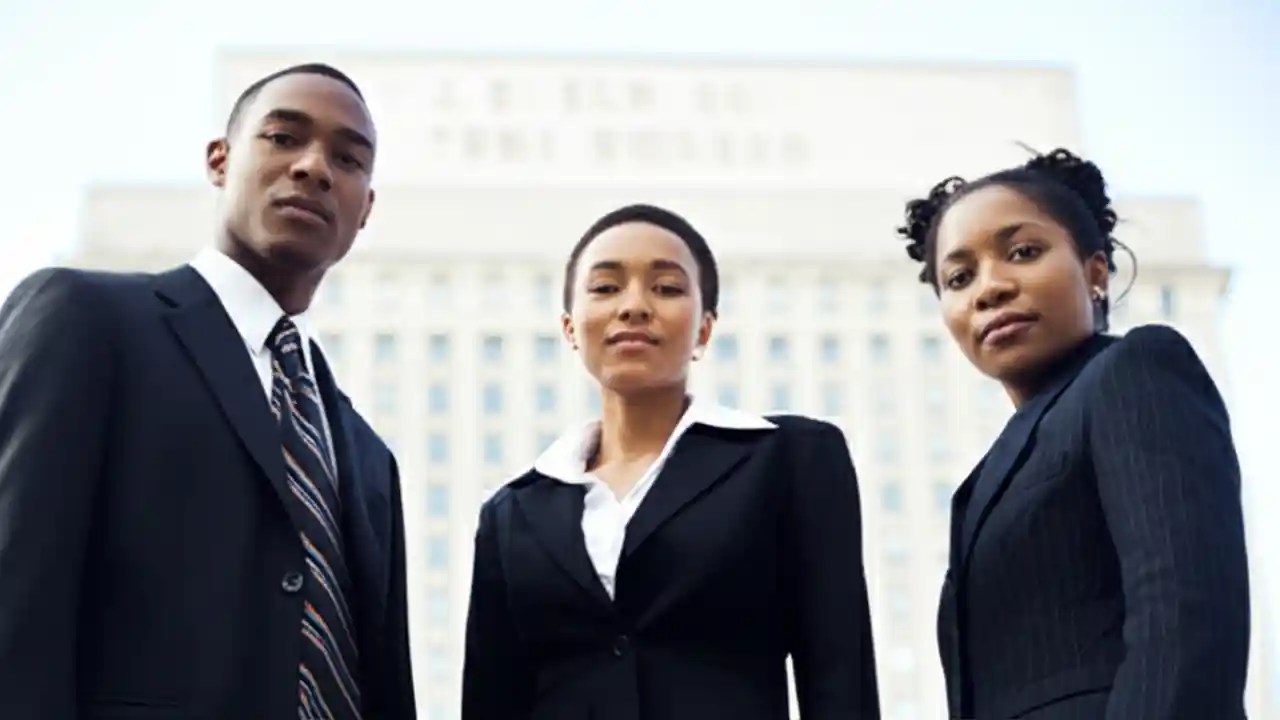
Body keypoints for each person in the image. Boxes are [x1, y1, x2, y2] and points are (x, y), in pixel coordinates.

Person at [0, 63, 415, 718]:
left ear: (365, 208)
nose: (313, 167)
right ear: (220, 161)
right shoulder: (87, 322)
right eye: (282, 138)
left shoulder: (367, 456)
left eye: (347, 158)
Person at [461, 204, 880, 719]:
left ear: (704, 329)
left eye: (666, 288)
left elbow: (839, 676)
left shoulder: (790, 459)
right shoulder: (511, 514)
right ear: (571, 328)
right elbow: (491, 702)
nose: (634, 306)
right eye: (606, 288)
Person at [898, 148, 1250, 719]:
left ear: (1095, 272)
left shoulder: (1136, 370)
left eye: (1023, 252)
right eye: (959, 277)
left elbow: (1185, 617)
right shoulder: (986, 477)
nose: (990, 289)